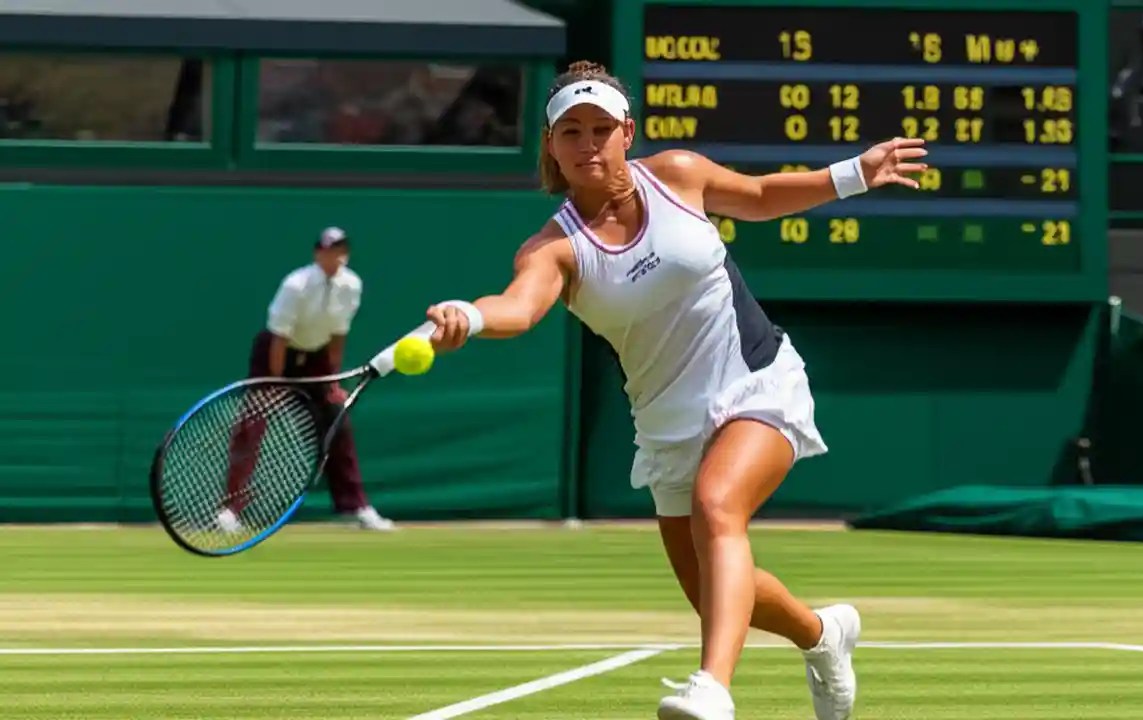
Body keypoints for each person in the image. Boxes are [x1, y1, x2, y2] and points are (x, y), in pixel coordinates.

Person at [421, 61, 927, 720]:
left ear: (627, 132)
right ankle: (823, 636)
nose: (588, 143)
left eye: (601, 128)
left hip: (756, 383)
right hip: (667, 423)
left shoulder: (679, 175)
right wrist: (472, 315)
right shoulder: (553, 251)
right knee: (711, 587)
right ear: (550, 146)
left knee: (719, 509)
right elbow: (517, 308)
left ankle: (712, 690)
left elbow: (762, 195)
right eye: (570, 131)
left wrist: (854, 172)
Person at [218, 226, 395, 533]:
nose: (335, 256)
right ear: (318, 254)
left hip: (317, 358)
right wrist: (274, 383)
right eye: (329, 250)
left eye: (340, 250)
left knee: (337, 423)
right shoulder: (296, 285)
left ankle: (355, 507)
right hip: (276, 354)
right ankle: (230, 512)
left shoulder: (351, 285)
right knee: (252, 426)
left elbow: (338, 336)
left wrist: (333, 382)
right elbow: (279, 337)